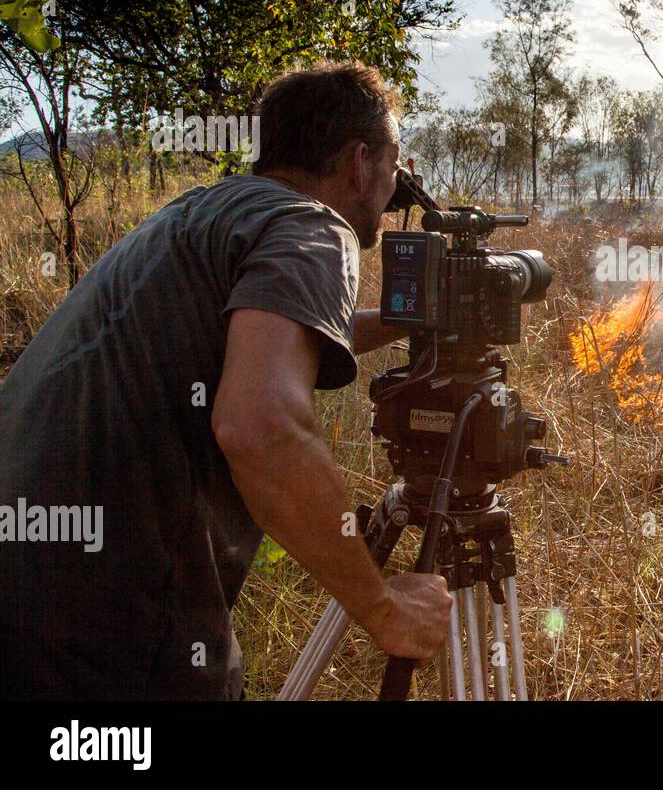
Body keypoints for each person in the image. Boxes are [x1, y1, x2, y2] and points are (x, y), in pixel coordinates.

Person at [0, 61, 453, 699]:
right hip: (108, 625)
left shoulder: (201, 212)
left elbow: (266, 332)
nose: (399, 180)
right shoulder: (312, 226)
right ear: (360, 162)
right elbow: (260, 427)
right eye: (395, 158)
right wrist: (383, 608)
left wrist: (407, 323)